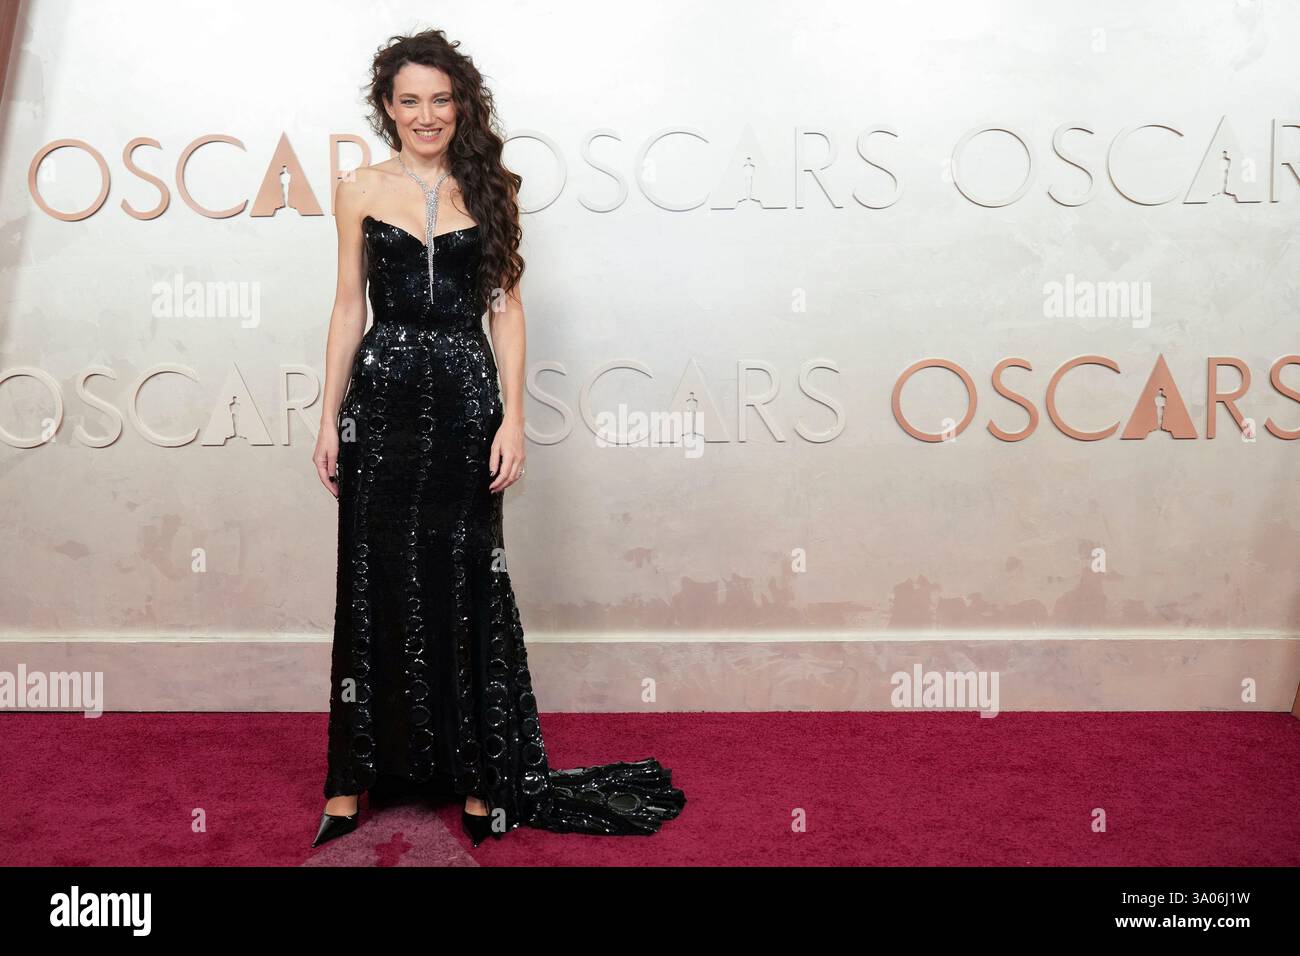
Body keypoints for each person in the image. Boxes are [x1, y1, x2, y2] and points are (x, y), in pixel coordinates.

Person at [310, 29, 685, 849]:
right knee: (372, 580)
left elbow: (506, 311)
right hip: (381, 404)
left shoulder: (492, 185)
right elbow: (346, 307)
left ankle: (480, 778)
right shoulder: (358, 188)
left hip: (465, 402)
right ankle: (348, 783)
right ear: (386, 108)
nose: (426, 114)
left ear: (461, 104)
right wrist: (328, 415)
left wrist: (513, 417)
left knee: (468, 579)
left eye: (441, 99)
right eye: (410, 100)